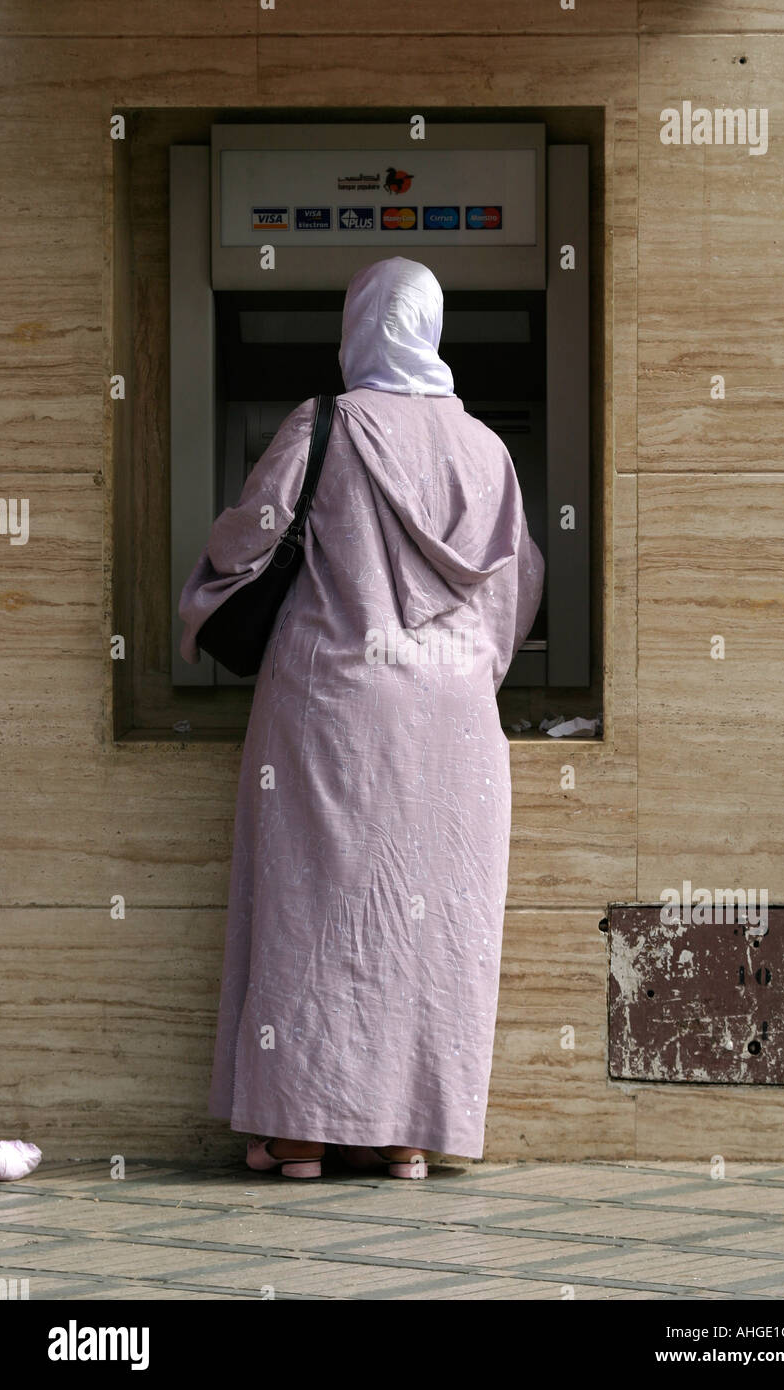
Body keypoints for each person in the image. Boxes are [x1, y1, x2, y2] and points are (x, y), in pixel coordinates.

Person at [178, 256, 544, 1180]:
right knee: (432, 924)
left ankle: (298, 1134)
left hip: (334, 708)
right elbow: (516, 589)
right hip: (456, 726)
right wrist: (462, 674)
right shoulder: (489, 450)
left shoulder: (326, 423)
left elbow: (247, 534)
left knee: (314, 909)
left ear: (359, 325)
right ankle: (406, 1134)